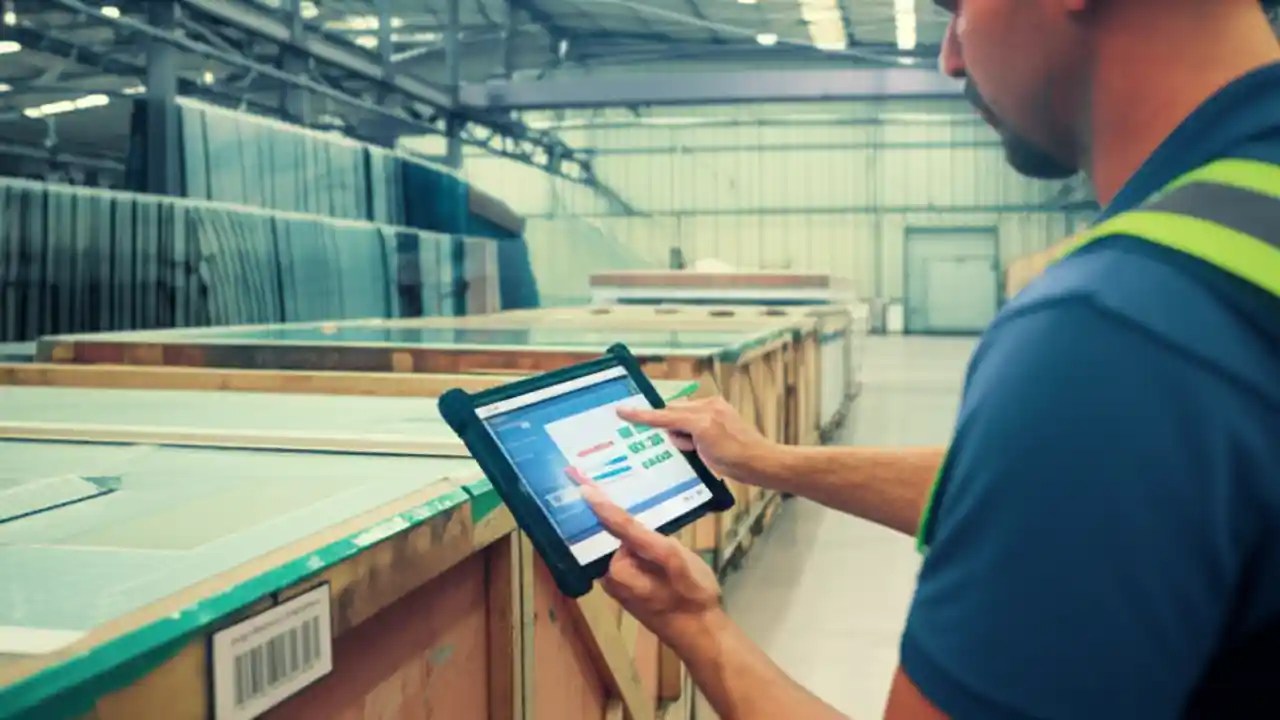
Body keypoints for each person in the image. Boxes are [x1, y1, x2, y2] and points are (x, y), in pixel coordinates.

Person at [577, 0, 1280, 717]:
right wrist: (768, 461)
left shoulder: (1120, 330)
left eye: (959, 7)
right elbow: (1081, 489)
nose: (950, 56)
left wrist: (698, 628)